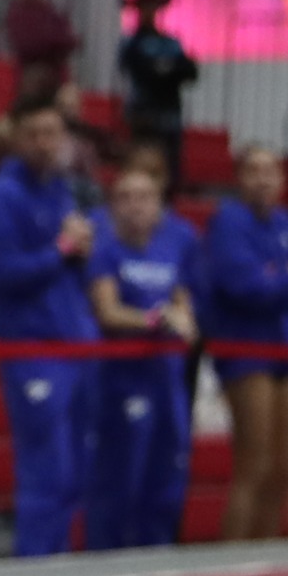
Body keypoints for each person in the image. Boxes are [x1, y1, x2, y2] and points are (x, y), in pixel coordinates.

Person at [0, 90, 101, 557]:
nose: (45, 143)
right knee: (46, 472)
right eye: (34, 134)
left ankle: (60, 565)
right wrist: (62, 251)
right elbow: (1, 273)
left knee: (75, 473)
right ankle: (34, 569)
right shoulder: (2, 195)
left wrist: (83, 253)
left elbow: (78, 266)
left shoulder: (64, 189)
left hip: (76, 343)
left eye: (52, 133)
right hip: (33, 347)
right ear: (15, 139)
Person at [84, 162, 199, 550]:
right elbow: (107, 310)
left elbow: (183, 301)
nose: (135, 206)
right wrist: (154, 320)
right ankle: (107, 556)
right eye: (126, 198)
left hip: (166, 375)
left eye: (145, 198)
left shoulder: (173, 246)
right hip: (123, 377)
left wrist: (185, 317)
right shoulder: (106, 251)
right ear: (113, 206)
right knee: (121, 476)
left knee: (168, 471)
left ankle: (158, 552)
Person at [201, 145, 288, 542]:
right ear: (239, 179)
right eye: (254, 171)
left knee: (283, 467)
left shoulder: (286, 223)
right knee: (255, 462)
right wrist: (285, 278)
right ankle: (233, 556)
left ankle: (265, 553)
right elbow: (242, 285)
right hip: (246, 350)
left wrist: (279, 278)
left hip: (287, 348)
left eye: (271, 171)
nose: (263, 179)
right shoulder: (228, 222)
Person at [117, 0, 198, 191]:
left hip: (170, 112)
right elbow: (137, 69)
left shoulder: (171, 41)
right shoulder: (132, 43)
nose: (149, 11)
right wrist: (166, 70)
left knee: (170, 165)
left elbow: (189, 71)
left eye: (152, 6)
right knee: (144, 160)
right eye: (144, 6)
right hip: (143, 114)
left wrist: (161, 70)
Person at [3, 0, 79, 92]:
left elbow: (69, 39)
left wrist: (53, 41)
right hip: (31, 83)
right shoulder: (17, 11)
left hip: (57, 80)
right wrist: (56, 42)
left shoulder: (51, 9)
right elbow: (28, 44)